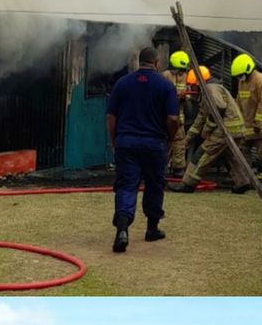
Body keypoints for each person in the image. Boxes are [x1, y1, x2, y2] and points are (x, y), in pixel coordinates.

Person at [105, 46, 179, 253]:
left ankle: (122, 230)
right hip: (155, 145)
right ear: (157, 63)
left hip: (126, 144)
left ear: (139, 62)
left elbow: (111, 117)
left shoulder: (122, 84)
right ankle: (152, 229)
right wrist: (170, 140)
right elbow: (173, 119)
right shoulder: (166, 86)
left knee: (127, 185)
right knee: (155, 185)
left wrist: (115, 140)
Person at [167, 66, 249, 194]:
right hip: (235, 129)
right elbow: (200, 119)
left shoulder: (210, 89)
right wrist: (187, 138)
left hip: (224, 130)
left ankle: (188, 184)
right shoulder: (210, 90)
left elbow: (219, 107)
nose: (190, 89)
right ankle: (242, 182)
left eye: (191, 85)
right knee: (230, 156)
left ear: (198, 83)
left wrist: (207, 129)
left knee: (202, 154)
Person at [230, 53, 262, 183]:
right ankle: (246, 179)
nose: (239, 78)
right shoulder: (242, 82)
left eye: (240, 75)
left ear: (248, 69)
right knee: (242, 151)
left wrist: (258, 123)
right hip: (248, 126)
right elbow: (240, 101)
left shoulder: (260, 80)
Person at [161, 50, 190, 177]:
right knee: (164, 142)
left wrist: (185, 97)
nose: (182, 72)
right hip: (165, 116)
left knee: (179, 143)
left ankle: (178, 168)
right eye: (181, 69)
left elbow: (189, 94)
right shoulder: (165, 76)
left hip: (180, 116)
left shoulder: (186, 76)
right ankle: (161, 167)